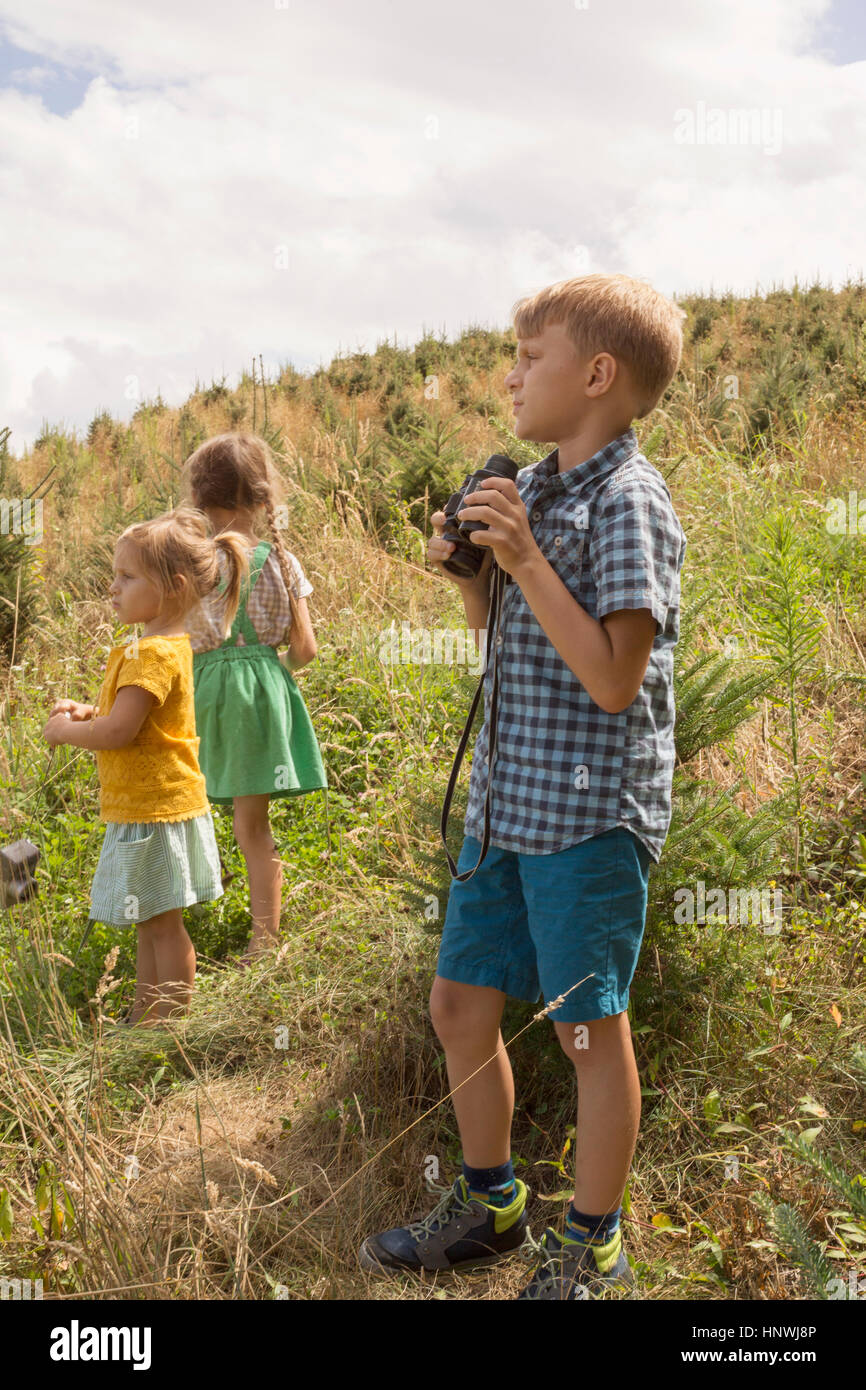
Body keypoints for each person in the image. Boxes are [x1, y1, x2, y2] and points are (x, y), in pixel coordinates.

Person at [359, 273, 688, 1299]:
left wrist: (527, 559)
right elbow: (503, 644)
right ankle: (492, 1204)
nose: (509, 375)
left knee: (586, 1025)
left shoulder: (629, 501)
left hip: (588, 815)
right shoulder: (534, 489)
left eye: (528, 357)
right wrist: (475, 577)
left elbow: (610, 676)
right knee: (459, 1003)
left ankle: (592, 1239)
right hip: (508, 801)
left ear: (596, 375)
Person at [43, 507, 250, 1025]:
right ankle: (146, 1019)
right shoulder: (155, 645)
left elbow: (118, 733)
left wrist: (67, 731)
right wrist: (90, 711)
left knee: (162, 927)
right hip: (151, 807)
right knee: (150, 922)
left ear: (173, 587)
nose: (113, 587)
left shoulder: (150, 653)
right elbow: (129, 719)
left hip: (155, 810)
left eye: (127, 577)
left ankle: (167, 1032)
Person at [181, 433, 327, 962]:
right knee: (253, 828)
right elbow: (305, 650)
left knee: (187, 807)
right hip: (266, 694)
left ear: (199, 496)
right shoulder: (284, 562)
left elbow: (172, 639)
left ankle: (181, 928)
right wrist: (268, 674)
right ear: (262, 495)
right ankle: (264, 941)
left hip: (205, 698)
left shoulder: (194, 563)